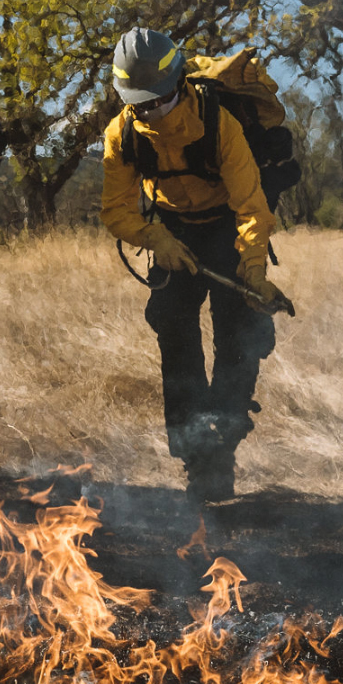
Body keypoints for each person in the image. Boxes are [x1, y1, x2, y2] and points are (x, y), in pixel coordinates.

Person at [100, 28, 287, 504]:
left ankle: (221, 444)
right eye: (142, 103)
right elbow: (115, 209)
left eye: (160, 100)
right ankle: (192, 450)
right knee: (171, 325)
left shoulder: (219, 122)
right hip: (172, 230)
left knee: (239, 333)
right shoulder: (120, 134)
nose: (153, 111)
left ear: (179, 83)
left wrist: (252, 271)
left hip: (228, 226)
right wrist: (154, 237)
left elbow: (250, 206)